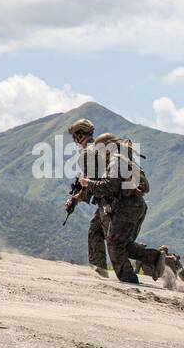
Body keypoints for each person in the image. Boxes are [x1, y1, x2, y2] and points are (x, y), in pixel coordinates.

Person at [80, 134, 163, 284]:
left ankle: (128, 279)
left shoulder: (115, 160)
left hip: (126, 208)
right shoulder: (122, 159)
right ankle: (154, 258)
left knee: (116, 245)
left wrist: (88, 184)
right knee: (115, 240)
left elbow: (110, 186)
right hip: (132, 207)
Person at [63, 118, 112, 276]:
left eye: (74, 136)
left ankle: (154, 259)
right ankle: (99, 269)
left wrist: (75, 199)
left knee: (116, 241)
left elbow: (90, 185)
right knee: (97, 231)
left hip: (109, 202)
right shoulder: (98, 148)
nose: (73, 140)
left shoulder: (88, 153)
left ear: (79, 135)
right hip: (111, 199)